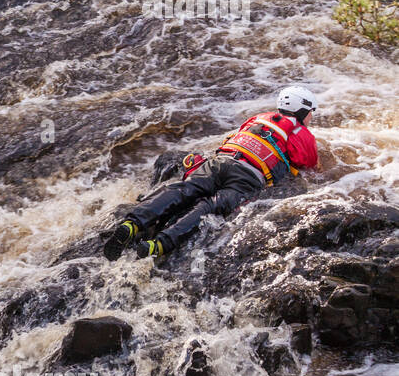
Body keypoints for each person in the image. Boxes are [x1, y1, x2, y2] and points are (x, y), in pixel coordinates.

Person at [103, 85, 320, 260]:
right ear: (302, 110)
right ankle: (158, 245)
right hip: (247, 178)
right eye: (311, 112)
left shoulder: (260, 118)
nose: (311, 117)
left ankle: (132, 223)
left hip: (220, 161)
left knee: (183, 189)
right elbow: (308, 164)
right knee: (210, 207)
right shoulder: (302, 133)